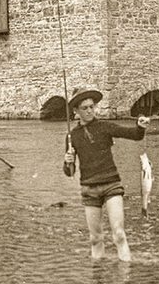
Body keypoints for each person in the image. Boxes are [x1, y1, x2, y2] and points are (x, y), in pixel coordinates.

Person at [63, 93, 149, 262]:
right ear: (76, 111)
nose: (89, 111)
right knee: (95, 239)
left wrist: (140, 126)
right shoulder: (72, 137)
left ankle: (125, 278)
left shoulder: (104, 126)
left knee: (119, 234)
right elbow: (70, 172)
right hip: (89, 189)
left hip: (111, 185)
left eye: (91, 107)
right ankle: (97, 280)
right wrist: (68, 161)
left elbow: (135, 135)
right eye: (84, 108)